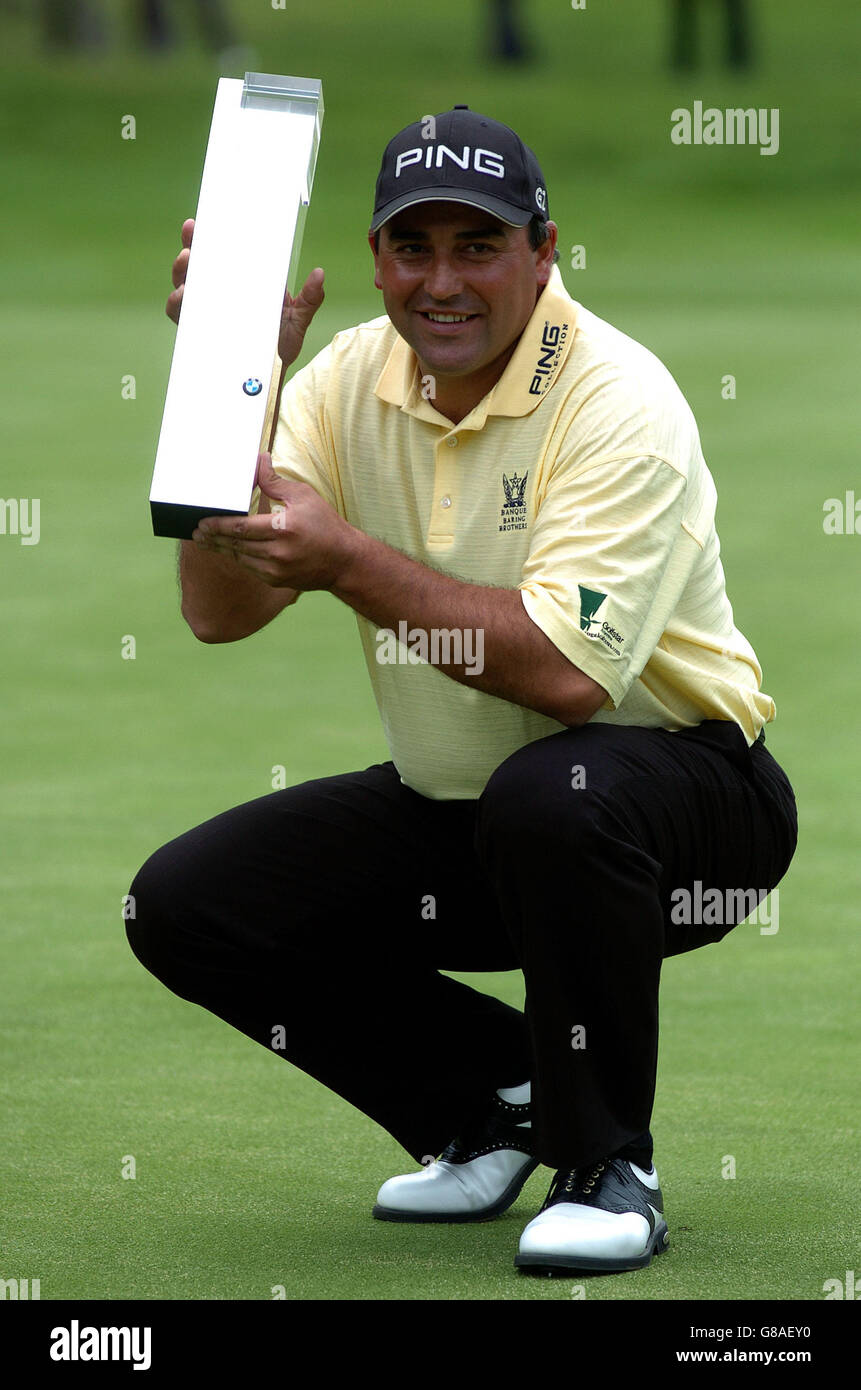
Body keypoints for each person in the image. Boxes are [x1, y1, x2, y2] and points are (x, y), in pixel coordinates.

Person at [126, 105, 797, 1276]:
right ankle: (489, 1107)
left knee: (558, 788)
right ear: (376, 259)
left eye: (478, 246)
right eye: (413, 246)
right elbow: (216, 611)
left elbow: (565, 678)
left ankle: (608, 1164)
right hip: (475, 814)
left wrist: (347, 560)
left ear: (544, 252)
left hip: (689, 804)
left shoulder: (617, 398)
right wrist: (226, 397)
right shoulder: (345, 380)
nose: (442, 281)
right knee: (186, 902)